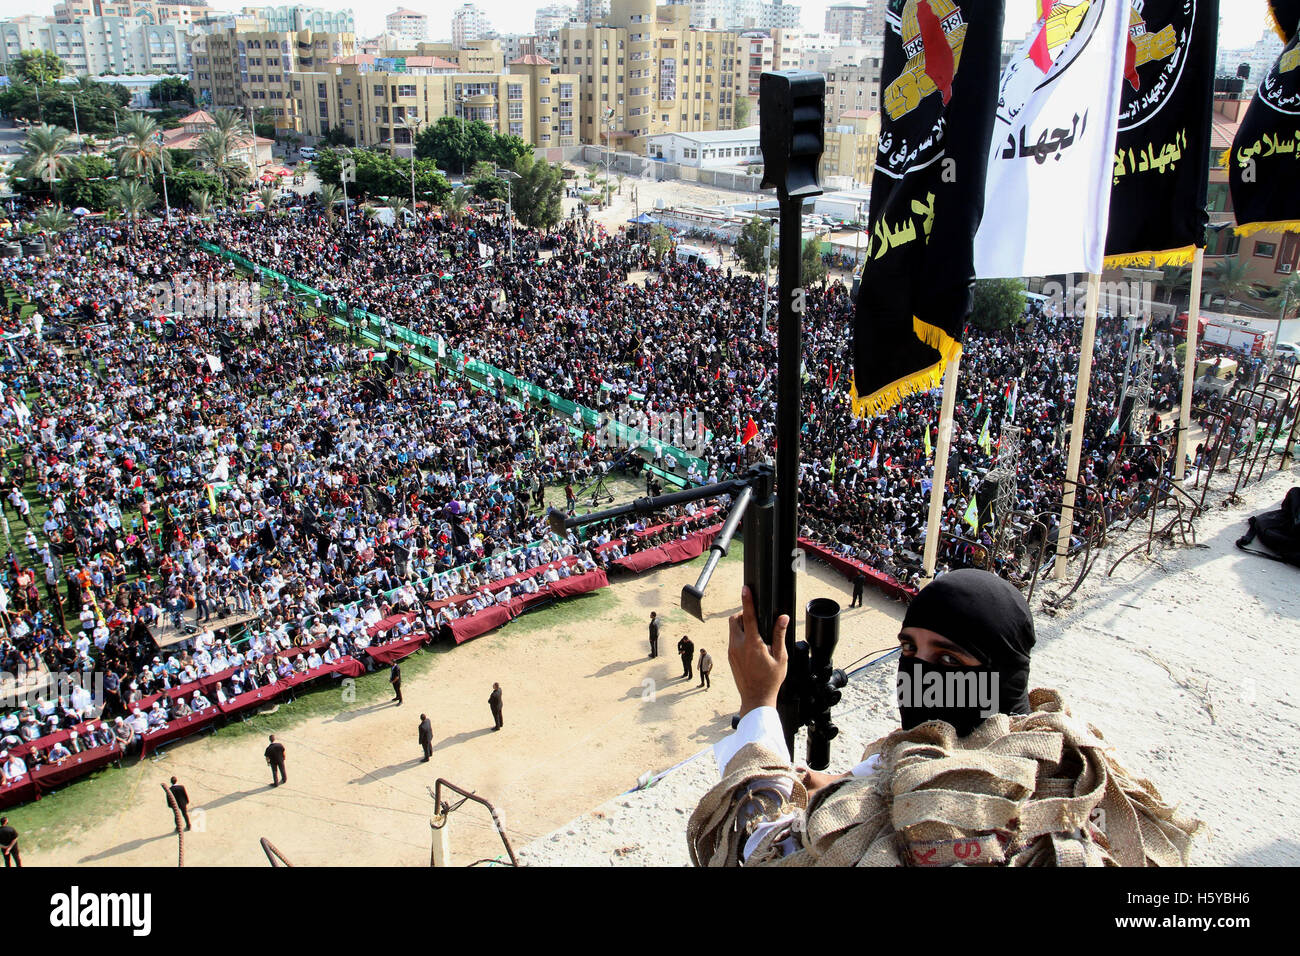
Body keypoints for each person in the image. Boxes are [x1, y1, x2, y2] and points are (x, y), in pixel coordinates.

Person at [688, 577, 1202, 867]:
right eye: (909, 649)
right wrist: (856, 783)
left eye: (950, 661)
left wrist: (757, 703)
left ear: (1002, 672)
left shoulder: (918, 815)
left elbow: (755, 850)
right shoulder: (1066, 758)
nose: (921, 674)